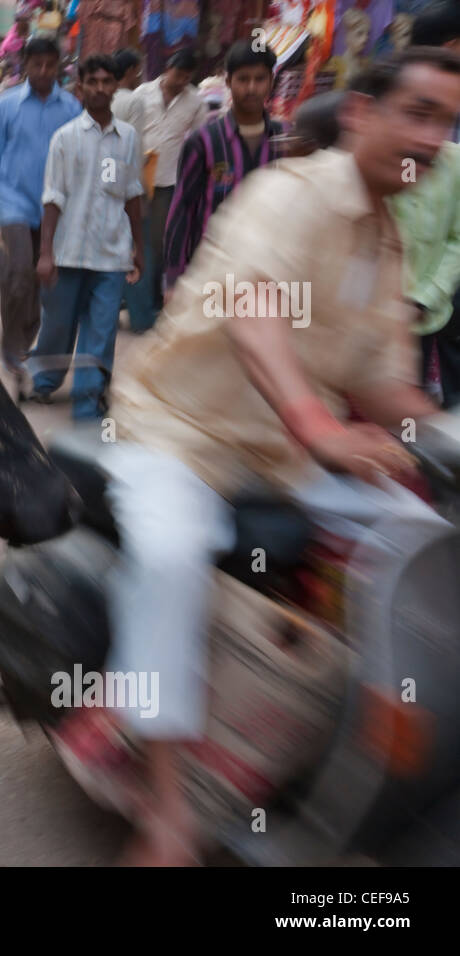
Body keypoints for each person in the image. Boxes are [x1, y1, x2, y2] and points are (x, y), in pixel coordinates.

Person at [105, 47, 460, 867]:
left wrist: (432, 441)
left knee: (422, 533)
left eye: (446, 122)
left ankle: (357, 752)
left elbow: (386, 387)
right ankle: (166, 812)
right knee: (169, 557)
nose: (435, 138)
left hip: (284, 460)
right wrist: (317, 426)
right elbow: (250, 306)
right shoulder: (289, 193)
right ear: (364, 114)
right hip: (179, 434)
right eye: (419, 113)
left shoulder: (387, 242)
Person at [29, 53, 143, 418]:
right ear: (80, 88)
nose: (100, 88)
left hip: (111, 253)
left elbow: (132, 194)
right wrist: (45, 253)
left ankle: (87, 403)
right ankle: (45, 381)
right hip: (68, 250)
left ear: (115, 86)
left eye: (107, 81)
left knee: (102, 331)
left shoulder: (128, 139)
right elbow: (53, 197)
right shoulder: (65, 138)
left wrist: (137, 247)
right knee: (58, 326)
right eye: (92, 81)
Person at [0, 34, 80, 386]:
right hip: (14, 202)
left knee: (43, 279)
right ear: (25, 66)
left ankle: (24, 341)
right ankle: (12, 346)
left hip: (55, 207)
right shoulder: (6, 105)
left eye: (50, 65)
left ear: (59, 68)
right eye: (37, 64)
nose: (43, 71)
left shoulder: (71, 108)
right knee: (16, 274)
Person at [162, 42, 282, 292]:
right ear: (228, 81)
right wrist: (174, 279)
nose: (251, 88)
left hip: (268, 277)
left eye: (259, 79)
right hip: (210, 276)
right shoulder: (203, 142)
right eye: (243, 79)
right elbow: (182, 209)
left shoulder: (285, 140)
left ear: (271, 80)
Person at [392, 6, 460, 406]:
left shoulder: (452, 159)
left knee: (413, 408)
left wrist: (426, 295)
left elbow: (456, 236)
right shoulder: (394, 151)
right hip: (382, 310)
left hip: (432, 304)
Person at [127, 48, 207, 332]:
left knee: (159, 244)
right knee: (136, 242)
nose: (181, 82)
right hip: (137, 178)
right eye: (178, 75)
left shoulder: (195, 102)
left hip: (168, 181)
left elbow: (198, 140)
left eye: (186, 78)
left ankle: (152, 304)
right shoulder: (141, 94)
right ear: (168, 69)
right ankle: (137, 309)